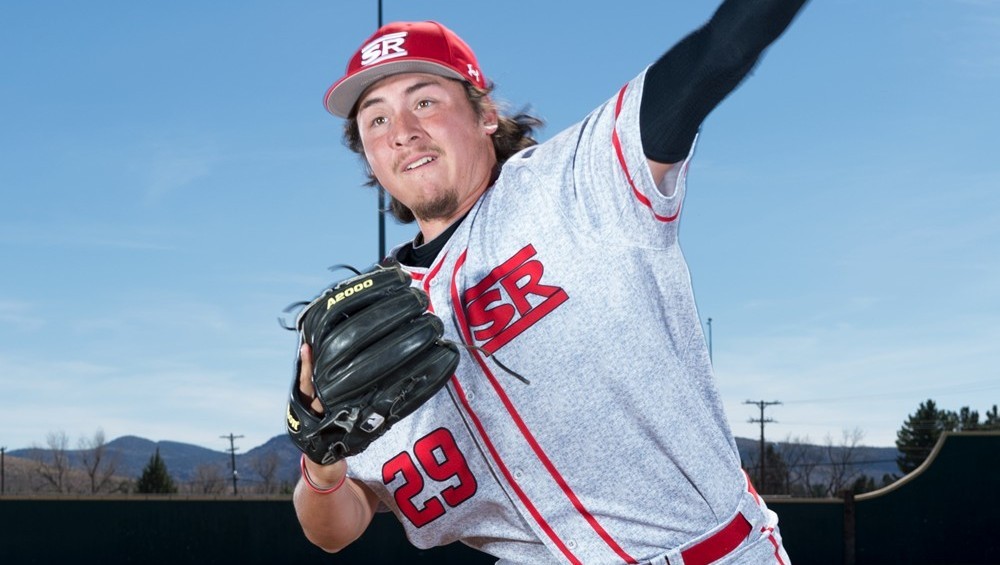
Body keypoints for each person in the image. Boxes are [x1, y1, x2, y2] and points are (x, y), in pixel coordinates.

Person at [292, 1, 808, 563]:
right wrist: (320, 455)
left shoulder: (578, 185)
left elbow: (721, 48)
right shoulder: (369, 321)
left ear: (485, 114)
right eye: (377, 119)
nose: (404, 132)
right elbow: (335, 528)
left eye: (424, 100)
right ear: (368, 153)